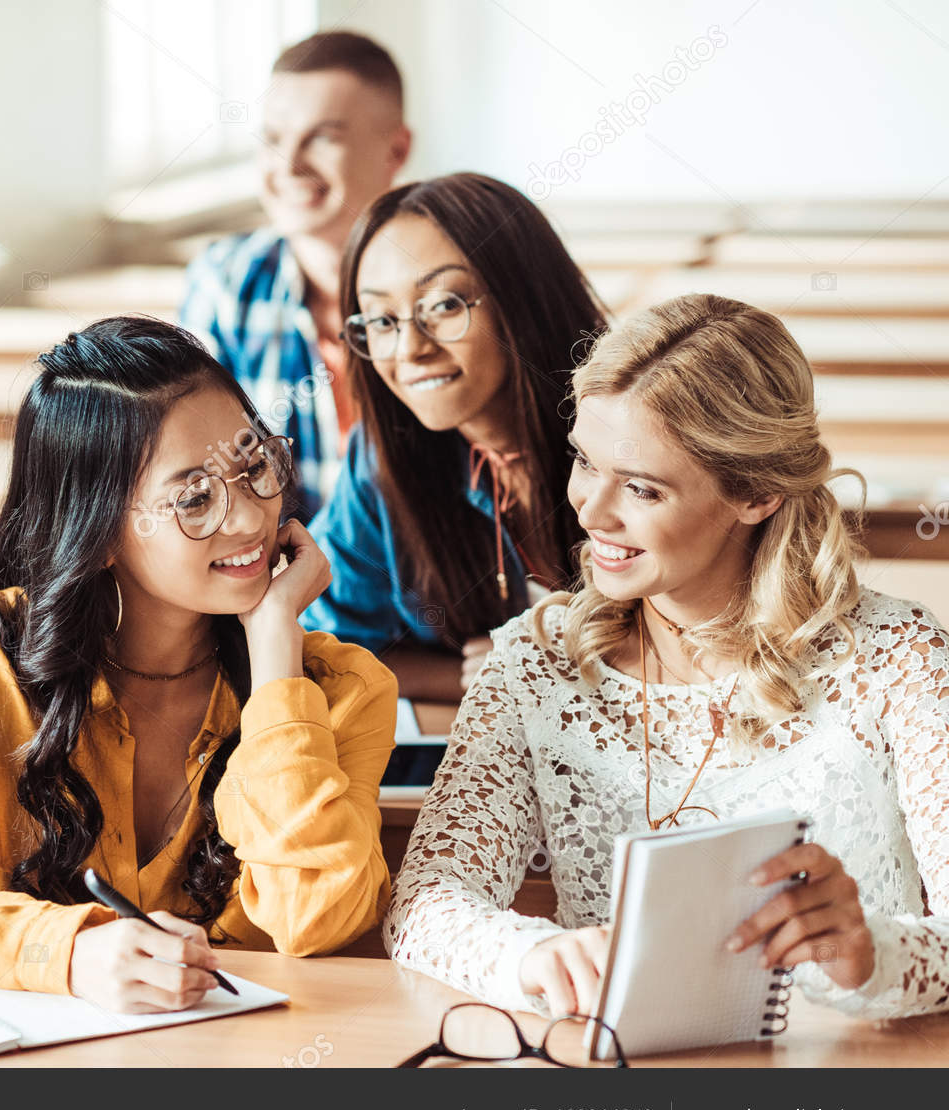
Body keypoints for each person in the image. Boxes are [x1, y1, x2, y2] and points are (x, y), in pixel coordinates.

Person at [0, 317, 396, 1013]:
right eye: (195, 498)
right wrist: (67, 952)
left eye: (254, 466)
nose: (251, 518)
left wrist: (277, 660)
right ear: (99, 531)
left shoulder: (339, 690)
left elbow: (317, 922)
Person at [385, 293, 949, 1022]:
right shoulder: (535, 663)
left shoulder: (899, 659)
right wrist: (525, 954)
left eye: (642, 488)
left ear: (756, 493)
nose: (590, 511)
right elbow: (426, 901)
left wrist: (871, 951)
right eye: (585, 462)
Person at [303, 174, 609, 710]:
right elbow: (323, 647)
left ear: (524, 296)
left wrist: (553, 661)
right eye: (381, 319)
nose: (409, 348)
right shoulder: (382, 460)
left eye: (444, 305)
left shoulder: (640, 436)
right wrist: (494, 673)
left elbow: (715, 642)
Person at [180, 30, 411, 522]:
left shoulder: (450, 283)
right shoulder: (224, 284)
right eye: (274, 138)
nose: (289, 164)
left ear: (396, 150)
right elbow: (199, 472)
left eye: (323, 136)